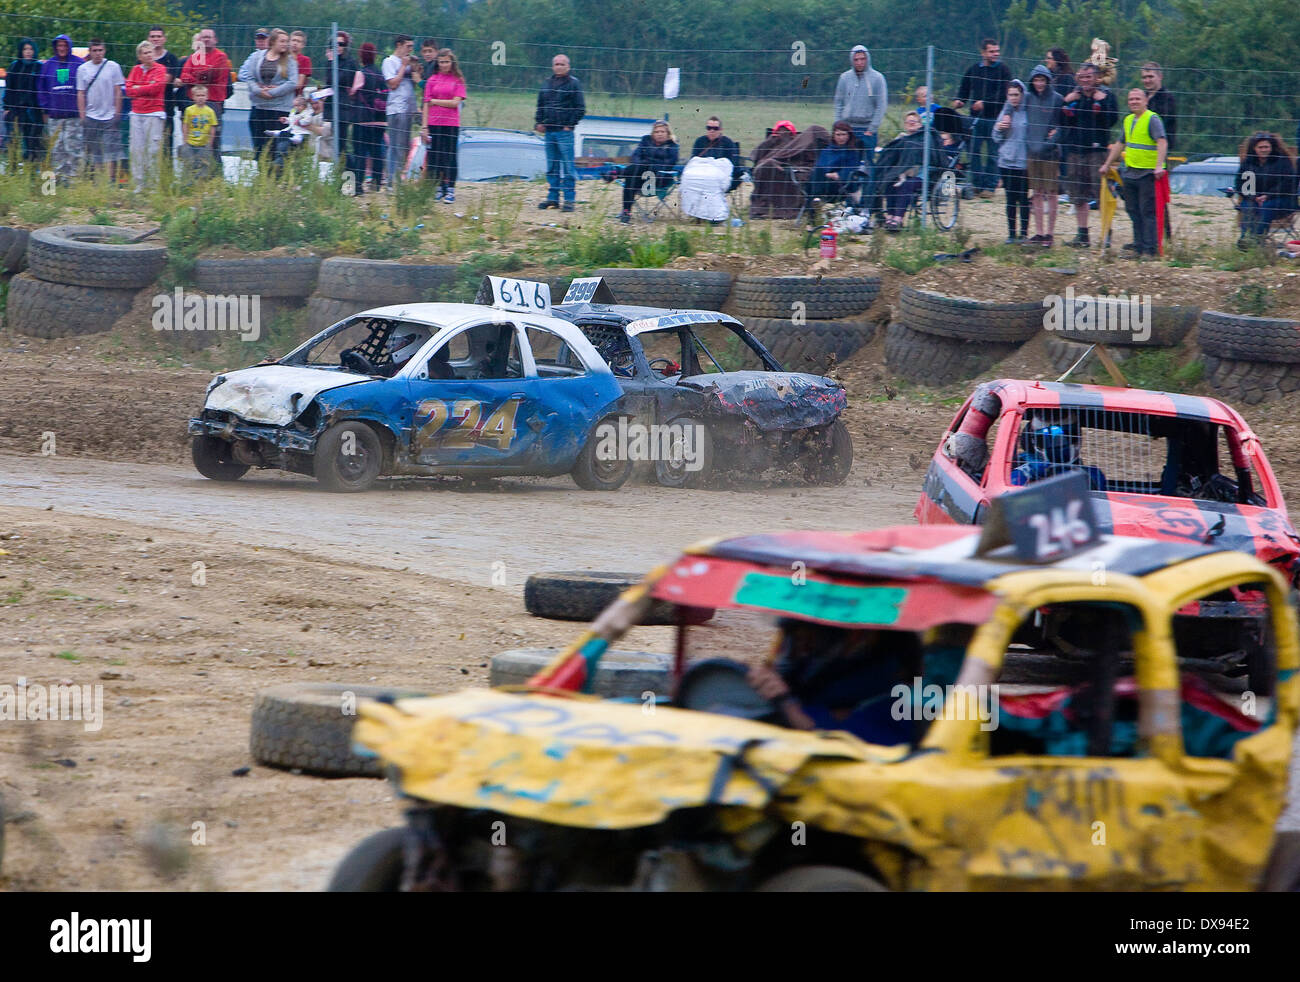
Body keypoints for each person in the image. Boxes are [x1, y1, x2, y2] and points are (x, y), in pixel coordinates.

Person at [746, 620, 922, 746]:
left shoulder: (894, 710)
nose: (804, 650)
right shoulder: (811, 688)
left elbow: (828, 742)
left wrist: (786, 702)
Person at [1100, 88, 1167, 258]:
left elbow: (1162, 141)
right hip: (1130, 172)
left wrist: (1159, 166)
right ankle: (1138, 246)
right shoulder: (1128, 120)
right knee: (1133, 211)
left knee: (1147, 212)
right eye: (1131, 99)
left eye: (1137, 99)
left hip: (1147, 173)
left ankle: (1150, 250)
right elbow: (1120, 143)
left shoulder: (1152, 119)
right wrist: (1107, 164)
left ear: (1145, 101)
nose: (1134, 102)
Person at [1059, 62, 1118, 248]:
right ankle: (1082, 235)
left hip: (1097, 152)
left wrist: (1101, 103)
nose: (1085, 81)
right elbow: (1061, 120)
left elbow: (1112, 121)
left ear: (1097, 78)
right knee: (1077, 195)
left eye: (1088, 77)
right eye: (1081, 77)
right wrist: (1066, 103)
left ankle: (1106, 234)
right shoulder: (1073, 96)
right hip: (1075, 151)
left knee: (1102, 194)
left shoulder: (1107, 96)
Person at [953, 39, 1011, 197]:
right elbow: (964, 88)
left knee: (993, 153)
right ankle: (977, 184)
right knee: (974, 151)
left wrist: (986, 103)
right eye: (992, 51)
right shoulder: (974, 69)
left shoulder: (1003, 70)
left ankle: (990, 187)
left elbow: (1004, 94)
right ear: (983, 53)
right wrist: (960, 101)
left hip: (995, 118)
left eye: (997, 51)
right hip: (976, 119)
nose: (996, 54)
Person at [239, 27, 299, 162]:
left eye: (286, 41)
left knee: (277, 149)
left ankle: (278, 179)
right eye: (282, 41)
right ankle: (262, 179)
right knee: (260, 148)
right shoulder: (256, 57)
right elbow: (248, 76)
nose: (285, 44)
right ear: (272, 42)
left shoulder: (290, 61)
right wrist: (258, 91)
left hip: (279, 109)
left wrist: (272, 93)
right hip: (259, 107)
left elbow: (292, 82)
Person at [535, 53, 585, 212]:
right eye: (556, 64)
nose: (559, 67)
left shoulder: (574, 84)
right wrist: (538, 122)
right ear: (552, 66)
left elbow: (580, 108)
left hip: (564, 132)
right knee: (552, 167)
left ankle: (569, 200)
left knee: (568, 167)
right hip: (549, 131)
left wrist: (569, 125)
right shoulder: (546, 84)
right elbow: (541, 105)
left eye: (562, 64)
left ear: (568, 66)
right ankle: (553, 198)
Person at [750, 120, 829, 220]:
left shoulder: (802, 144)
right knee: (767, 167)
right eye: (779, 131)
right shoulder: (771, 142)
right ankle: (766, 209)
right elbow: (757, 156)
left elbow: (807, 161)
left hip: (792, 170)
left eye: (786, 131)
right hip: (771, 167)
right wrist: (771, 142)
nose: (783, 134)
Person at [1011, 412, 1106, 490]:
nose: (1058, 443)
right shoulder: (1023, 473)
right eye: (1049, 438)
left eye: (1065, 436)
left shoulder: (1093, 475)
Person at [1233, 132, 1298, 246]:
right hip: (1255, 199)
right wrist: (1253, 197)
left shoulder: (1282, 161)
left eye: (1266, 147)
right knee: (1247, 206)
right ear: (1254, 148)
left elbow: (1289, 183)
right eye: (1260, 147)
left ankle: (1256, 240)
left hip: (1281, 200)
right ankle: (1246, 239)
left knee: (1267, 206)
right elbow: (1241, 184)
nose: (1264, 150)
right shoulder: (1248, 163)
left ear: (1272, 147)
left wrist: (1268, 196)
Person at [1023, 65, 1063, 246]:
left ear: (1048, 81)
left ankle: (1050, 233)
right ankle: (1039, 233)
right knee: (1037, 192)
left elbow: (1061, 127)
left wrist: (1051, 142)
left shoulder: (1057, 99)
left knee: (1052, 192)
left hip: (1050, 153)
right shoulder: (1027, 98)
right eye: (1036, 80)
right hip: (1032, 151)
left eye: (1042, 80)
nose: (1039, 83)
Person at [180, 28, 233, 164]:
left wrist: (196, 77)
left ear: (215, 40)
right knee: (193, 141)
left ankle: (215, 178)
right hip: (194, 104)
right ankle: (194, 176)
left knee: (212, 142)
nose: (206, 40)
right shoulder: (195, 57)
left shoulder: (221, 56)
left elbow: (212, 74)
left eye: (209, 37)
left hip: (213, 102)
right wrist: (199, 78)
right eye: (203, 37)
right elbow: (184, 76)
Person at [867, 111, 928, 229]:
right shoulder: (901, 138)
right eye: (908, 121)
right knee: (889, 182)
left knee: (905, 185)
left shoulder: (924, 139)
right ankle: (890, 217)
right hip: (899, 173)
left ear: (920, 124)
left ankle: (898, 219)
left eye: (914, 121)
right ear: (905, 125)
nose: (911, 123)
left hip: (919, 175)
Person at [77, 39, 125, 183]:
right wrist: (82, 115)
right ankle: (99, 181)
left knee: (111, 151)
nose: (97, 53)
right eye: (94, 50)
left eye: (100, 50)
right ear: (90, 52)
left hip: (109, 115)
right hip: (91, 115)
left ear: (104, 51)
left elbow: (118, 90)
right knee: (95, 150)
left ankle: (110, 181)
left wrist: (117, 112)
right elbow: (80, 93)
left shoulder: (113, 67)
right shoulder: (83, 69)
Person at [423, 48, 467, 202]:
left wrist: (435, 101)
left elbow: (456, 102)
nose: (444, 65)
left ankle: (451, 189)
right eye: (441, 62)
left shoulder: (457, 80)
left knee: (450, 156)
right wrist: (424, 127)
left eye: (447, 62)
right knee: (436, 156)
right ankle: (439, 187)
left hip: (450, 123)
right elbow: (426, 104)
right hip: (434, 123)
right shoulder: (432, 80)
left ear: (452, 62)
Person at [38, 34, 84, 181]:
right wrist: (45, 109)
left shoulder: (79, 64)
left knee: (73, 148)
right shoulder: (48, 65)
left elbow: (84, 88)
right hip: (55, 116)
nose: (62, 48)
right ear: (55, 47)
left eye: (65, 45)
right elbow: (41, 89)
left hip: (73, 116)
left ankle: (73, 179)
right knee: (56, 148)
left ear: (69, 47)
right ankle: (58, 178)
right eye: (59, 45)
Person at [125, 40, 168, 192]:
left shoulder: (160, 69)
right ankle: (138, 184)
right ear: (140, 56)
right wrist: (144, 88)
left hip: (154, 113)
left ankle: (152, 185)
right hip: (137, 113)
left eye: (150, 52)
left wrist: (139, 88)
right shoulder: (136, 69)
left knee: (153, 149)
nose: (149, 55)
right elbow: (128, 90)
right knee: (136, 149)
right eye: (145, 53)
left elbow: (157, 88)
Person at [617, 119, 679, 222]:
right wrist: (643, 165)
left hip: (659, 178)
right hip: (640, 177)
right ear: (653, 133)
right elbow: (635, 156)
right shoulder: (646, 140)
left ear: (668, 133)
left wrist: (648, 164)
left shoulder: (672, 146)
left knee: (638, 169)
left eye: (662, 132)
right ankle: (626, 211)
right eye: (657, 132)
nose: (659, 134)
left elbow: (668, 165)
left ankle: (616, 174)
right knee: (634, 174)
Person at [832, 45, 887, 156]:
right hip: (848, 128)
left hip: (867, 128)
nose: (859, 62)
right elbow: (839, 103)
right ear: (852, 60)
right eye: (856, 59)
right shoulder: (844, 78)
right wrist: (838, 126)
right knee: (846, 161)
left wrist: (872, 129)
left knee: (867, 163)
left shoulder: (877, 78)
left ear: (868, 59)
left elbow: (881, 105)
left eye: (862, 59)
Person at [321, 31, 361, 183]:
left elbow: (339, 80)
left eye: (341, 44)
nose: (338, 47)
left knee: (341, 146)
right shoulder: (330, 62)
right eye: (334, 44)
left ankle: (352, 181)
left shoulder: (350, 62)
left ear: (346, 46)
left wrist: (332, 62)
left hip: (343, 108)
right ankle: (344, 180)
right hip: (332, 106)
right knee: (337, 146)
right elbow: (329, 83)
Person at [993, 81, 1030, 243]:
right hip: (1006, 161)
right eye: (1010, 95)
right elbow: (995, 137)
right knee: (1009, 198)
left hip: (1023, 161)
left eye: (1016, 94)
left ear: (1022, 94)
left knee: (1023, 198)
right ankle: (1011, 233)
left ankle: (1023, 233)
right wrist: (1000, 128)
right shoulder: (1004, 112)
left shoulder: (1028, 112)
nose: (1013, 98)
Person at [383, 35, 422, 189]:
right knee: (395, 146)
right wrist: (403, 65)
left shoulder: (407, 62)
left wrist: (415, 67)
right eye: (408, 46)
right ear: (399, 45)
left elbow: (415, 82)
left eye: (412, 46)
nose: (410, 49)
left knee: (404, 146)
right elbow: (392, 84)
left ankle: (399, 179)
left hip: (408, 108)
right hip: (396, 108)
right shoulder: (389, 61)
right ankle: (392, 182)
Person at [352, 42, 388, 192]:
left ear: (361, 55)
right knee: (376, 151)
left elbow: (353, 92)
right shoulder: (380, 74)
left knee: (360, 151)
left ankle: (358, 185)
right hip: (380, 118)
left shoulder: (361, 73)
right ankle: (377, 183)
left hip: (363, 118)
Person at [5, 39, 45, 162]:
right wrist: (6, 108)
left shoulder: (39, 67)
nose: (28, 52)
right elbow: (9, 89)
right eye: (25, 49)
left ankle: (33, 170)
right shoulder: (15, 66)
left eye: (31, 49)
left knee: (34, 142)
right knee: (15, 142)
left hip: (34, 112)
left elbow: (43, 89)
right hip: (17, 111)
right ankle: (15, 172)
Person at [805, 120, 863, 202]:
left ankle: (814, 201)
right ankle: (815, 200)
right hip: (823, 180)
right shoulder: (827, 150)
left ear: (849, 135)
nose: (841, 138)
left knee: (816, 178)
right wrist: (827, 174)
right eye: (838, 135)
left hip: (840, 184)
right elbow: (820, 166)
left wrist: (836, 175)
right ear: (833, 136)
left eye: (844, 134)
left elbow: (851, 171)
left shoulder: (853, 152)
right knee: (815, 174)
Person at [147, 27, 183, 161]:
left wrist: (148, 81)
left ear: (164, 39)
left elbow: (168, 79)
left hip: (166, 107)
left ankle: (166, 177)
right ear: (148, 39)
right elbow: (136, 79)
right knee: (147, 144)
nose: (155, 39)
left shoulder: (171, 58)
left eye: (158, 36)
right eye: (152, 36)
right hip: (147, 107)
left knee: (166, 144)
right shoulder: (143, 56)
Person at [179, 83, 218, 182]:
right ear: (193, 97)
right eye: (198, 95)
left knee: (204, 165)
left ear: (207, 97)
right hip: (191, 143)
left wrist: (210, 142)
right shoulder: (189, 110)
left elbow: (212, 127)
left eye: (203, 95)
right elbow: (185, 125)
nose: (200, 98)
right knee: (189, 164)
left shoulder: (210, 111)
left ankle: (201, 186)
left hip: (204, 144)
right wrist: (185, 140)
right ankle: (187, 185)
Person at [690, 116, 741, 186]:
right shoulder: (699, 141)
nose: (712, 130)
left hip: (720, 176)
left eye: (715, 128)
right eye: (709, 128)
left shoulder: (728, 143)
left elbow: (732, 163)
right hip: (701, 175)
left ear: (720, 129)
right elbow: (693, 160)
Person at [1139, 62, 1176, 152]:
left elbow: (1160, 123)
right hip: (1140, 149)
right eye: (1144, 77)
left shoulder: (1167, 98)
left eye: (1151, 77)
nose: (1147, 80)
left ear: (1160, 77)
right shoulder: (1140, 97)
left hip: (1159, 151)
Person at [290, 31, 312, 96]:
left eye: (298, 41)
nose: (295, 43)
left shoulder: (305, 60)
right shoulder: (282, 57)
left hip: (295, 96)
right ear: (289, 42)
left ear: (303, 45)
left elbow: (299, 84)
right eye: (293, 40)